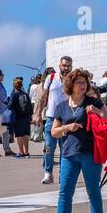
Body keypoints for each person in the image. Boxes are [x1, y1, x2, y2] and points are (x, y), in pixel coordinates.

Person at [49, 69, 107, 213]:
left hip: (90, 154)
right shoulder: (61, 106)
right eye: (79, 82)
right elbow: (53, 132)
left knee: (93, 192)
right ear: (70, 85)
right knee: (65, 193)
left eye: (84, 82)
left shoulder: (93, 101)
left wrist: (96, 110)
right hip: (68, 155)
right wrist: (67, 128)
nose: (82, 85)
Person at [40, 56, 73, 185]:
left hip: (66, 118)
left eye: (68, 66)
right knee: (49, 147)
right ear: (59, 66)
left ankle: (62, 174)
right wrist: (37, 113)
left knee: (64, 148)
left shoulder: (73, 79)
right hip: (51, 117)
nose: (66, 68)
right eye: (64, 65)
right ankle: (48, 173)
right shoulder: (51, 77)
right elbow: (44, 96)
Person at [10, 76, 33, 158]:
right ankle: (27, 152)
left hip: (18, 118)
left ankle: (21, 152)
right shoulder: (26, 95)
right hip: (26, 118)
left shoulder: (14, 94)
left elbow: (10, 106)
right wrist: (30, 117)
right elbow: (30, 107)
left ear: (14, 86)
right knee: (26, 135)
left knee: (19, 135)